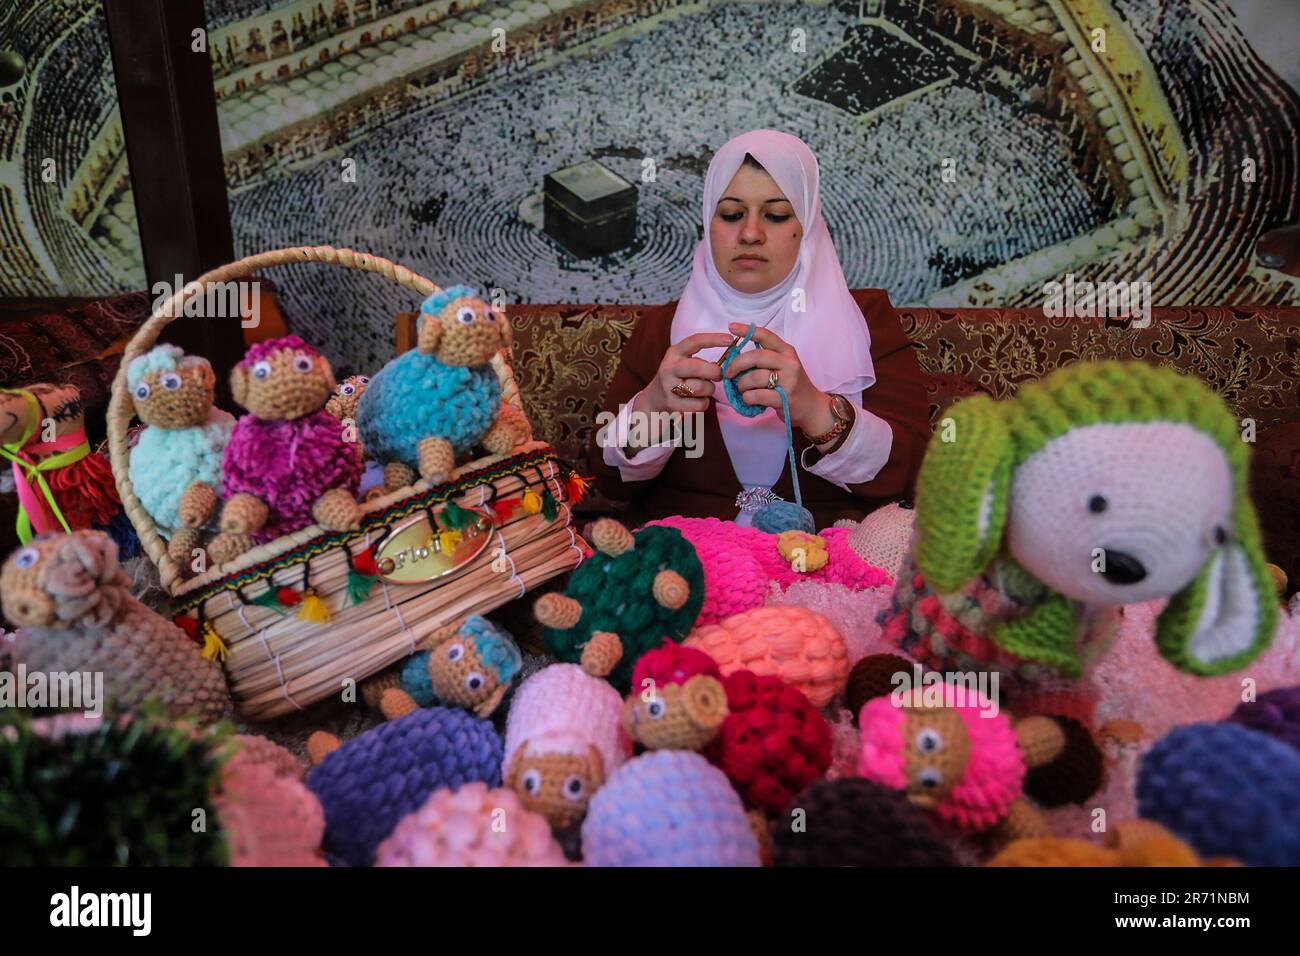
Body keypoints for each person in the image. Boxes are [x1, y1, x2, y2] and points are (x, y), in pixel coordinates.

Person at [589, 129, 929, 528]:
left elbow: (914, 475)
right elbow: (607, 482)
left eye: (776, 215)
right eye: (731, 214)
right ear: (708, 223)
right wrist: (651, 410)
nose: (750, 233)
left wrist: (816, 409)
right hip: (686, 569)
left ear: (807, 225)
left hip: (824, 555)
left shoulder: (865, 319)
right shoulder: (665, 327)